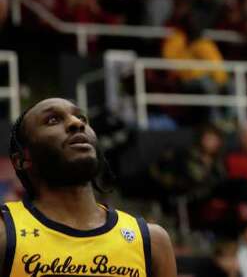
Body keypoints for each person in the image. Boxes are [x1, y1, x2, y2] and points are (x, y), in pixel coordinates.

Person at [1, 97, 176, 276]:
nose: (76, 123)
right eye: (52, 120)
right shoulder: (4, 232)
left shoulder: (152, 241)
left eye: (82, 118)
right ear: (22, 160)